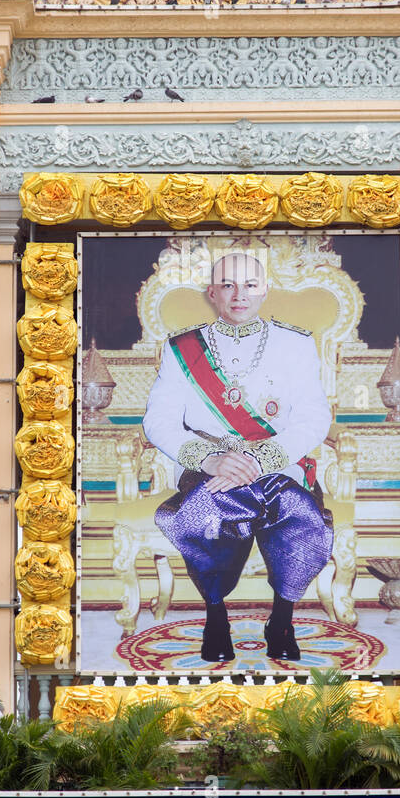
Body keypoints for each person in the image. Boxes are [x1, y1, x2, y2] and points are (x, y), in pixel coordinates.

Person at [142, 250, 333, 663]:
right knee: (204, 515)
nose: (238, 294)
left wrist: (262, 459)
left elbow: (315, 416)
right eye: (227, 285)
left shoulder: (296, 344)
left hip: (277, 464)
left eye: (249, 285)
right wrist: (210, 459)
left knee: (299, 512)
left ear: (264, 290)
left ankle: (282, 616)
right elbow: (158, 420)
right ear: (212, 293)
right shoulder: (182, 350)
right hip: (210, 468)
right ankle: (216, 615)